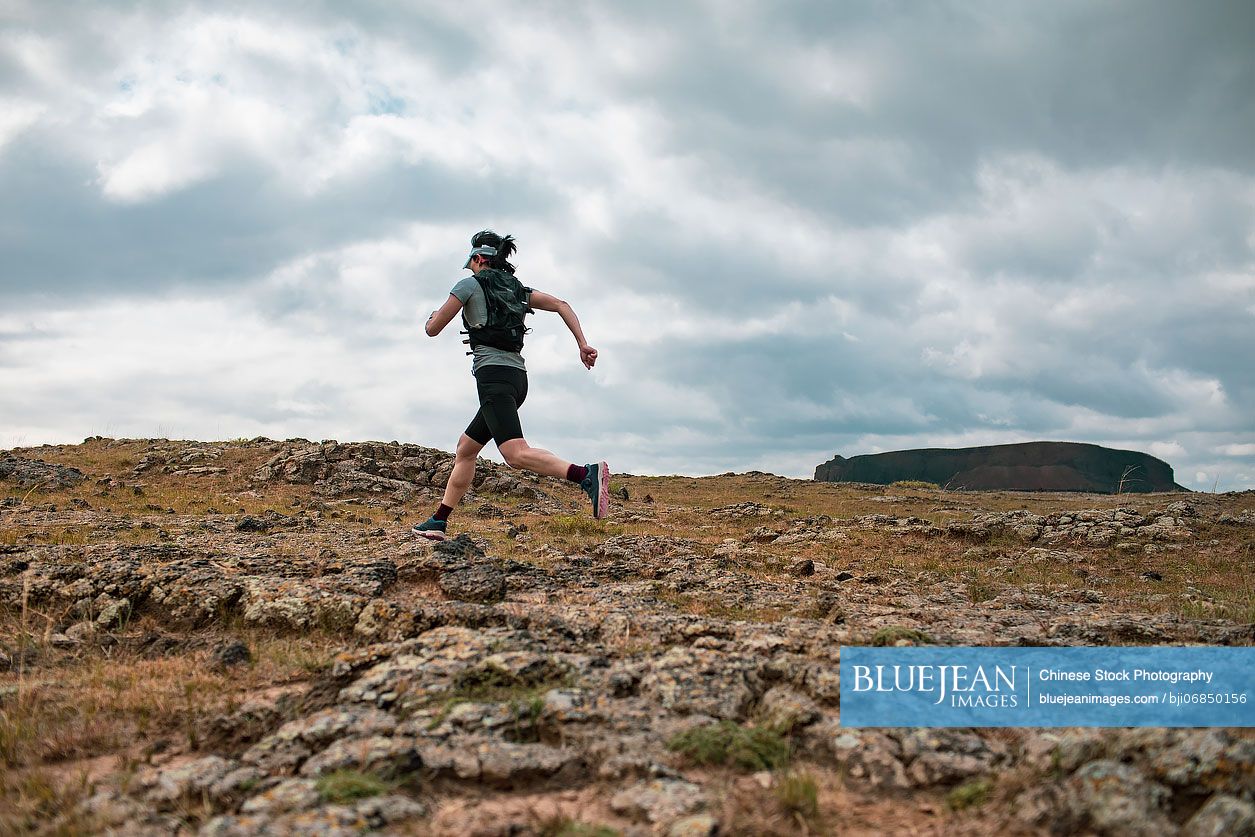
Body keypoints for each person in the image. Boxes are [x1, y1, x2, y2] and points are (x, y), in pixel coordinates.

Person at [411, 230, 609, 540]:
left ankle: (585, 474)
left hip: (494, 378)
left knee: (515, 454)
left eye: (472, 263)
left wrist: (432, 317)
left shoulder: (468, 285)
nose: (471, 268)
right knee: (466, 448)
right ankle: (439, 520)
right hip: (517, 380)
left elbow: (433, 329)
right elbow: (561, 304)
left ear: (478, 259)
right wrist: (582, 344)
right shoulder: (518, 289)